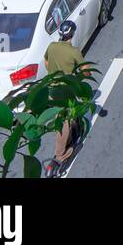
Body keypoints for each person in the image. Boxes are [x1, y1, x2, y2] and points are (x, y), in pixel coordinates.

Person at [44, 20, 87, 166]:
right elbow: (86, 71)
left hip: (52, 89)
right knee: (65, 120)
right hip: (66, 91)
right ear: (72, 33)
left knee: (59, 115)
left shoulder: (52, 46)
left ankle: (67, 140)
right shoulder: (74, 52)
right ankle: (60, 154)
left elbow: (46, 62)